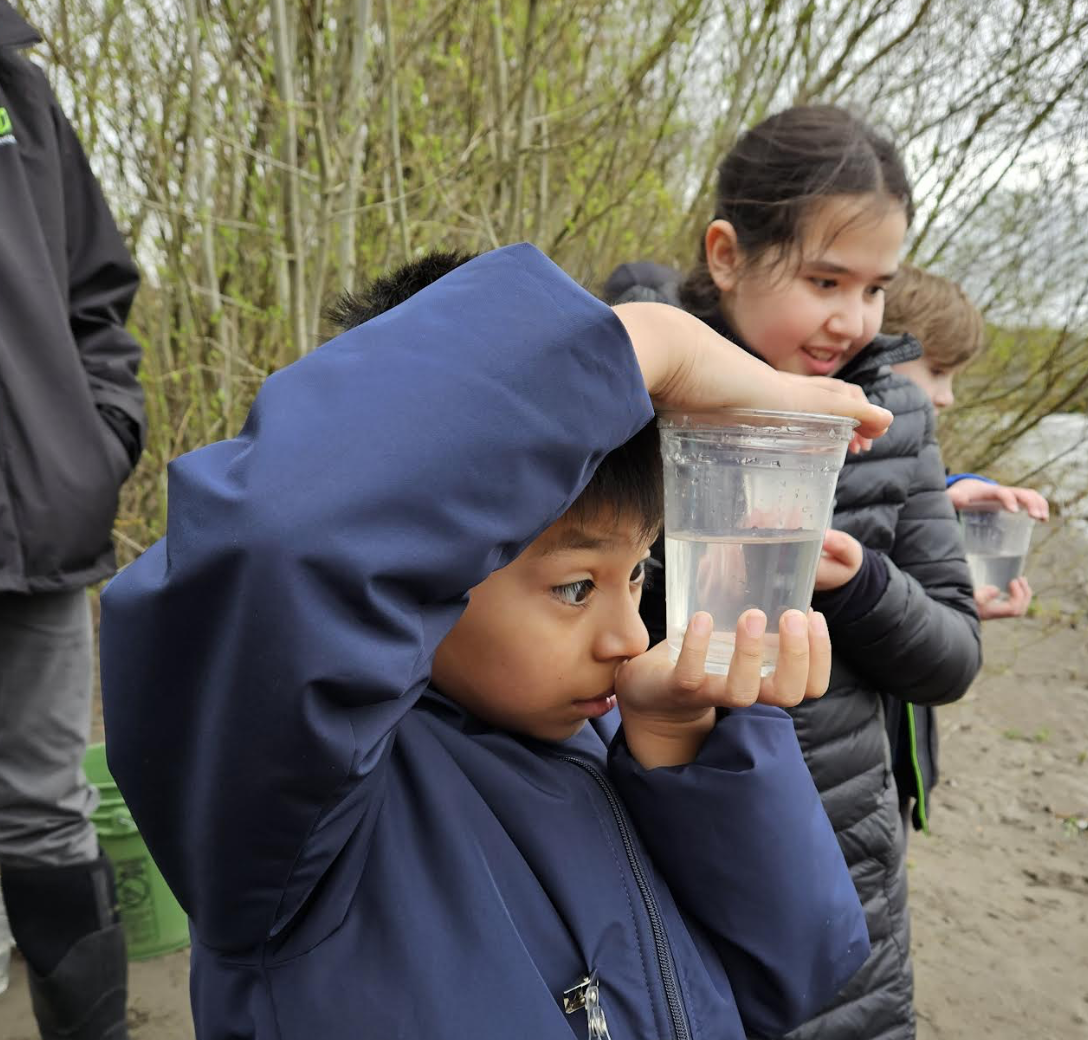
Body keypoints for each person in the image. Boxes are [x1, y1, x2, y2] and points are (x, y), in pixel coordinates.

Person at [100, 244, 894, 1039]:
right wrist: (650, 344)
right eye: (575, 586)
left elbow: (793, 973)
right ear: (434, 559)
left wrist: (681, 748)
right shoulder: (293, 805)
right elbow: (280, 542)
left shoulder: (610, 738)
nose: (627, 635)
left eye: (639, 572)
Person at [605, 104, 983, 1040]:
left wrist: (857, 582)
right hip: (655, 830)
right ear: (727, 254)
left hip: (840, 851)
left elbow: (953, 656)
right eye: (825, 279)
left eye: (875, 288)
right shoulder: (625, 403)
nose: (851, 318)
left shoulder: (892, 419)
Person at [0, 4, 145, 1037]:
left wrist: (96, 445)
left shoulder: (18, 90)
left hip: (37, 526)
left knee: (50, 822)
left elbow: (97, 292)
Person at [881, 263, 1050, 832]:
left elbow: (897, 499)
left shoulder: (907, 459)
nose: (948, 397)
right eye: (938, 372)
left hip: (892, 767)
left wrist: (952, 493)